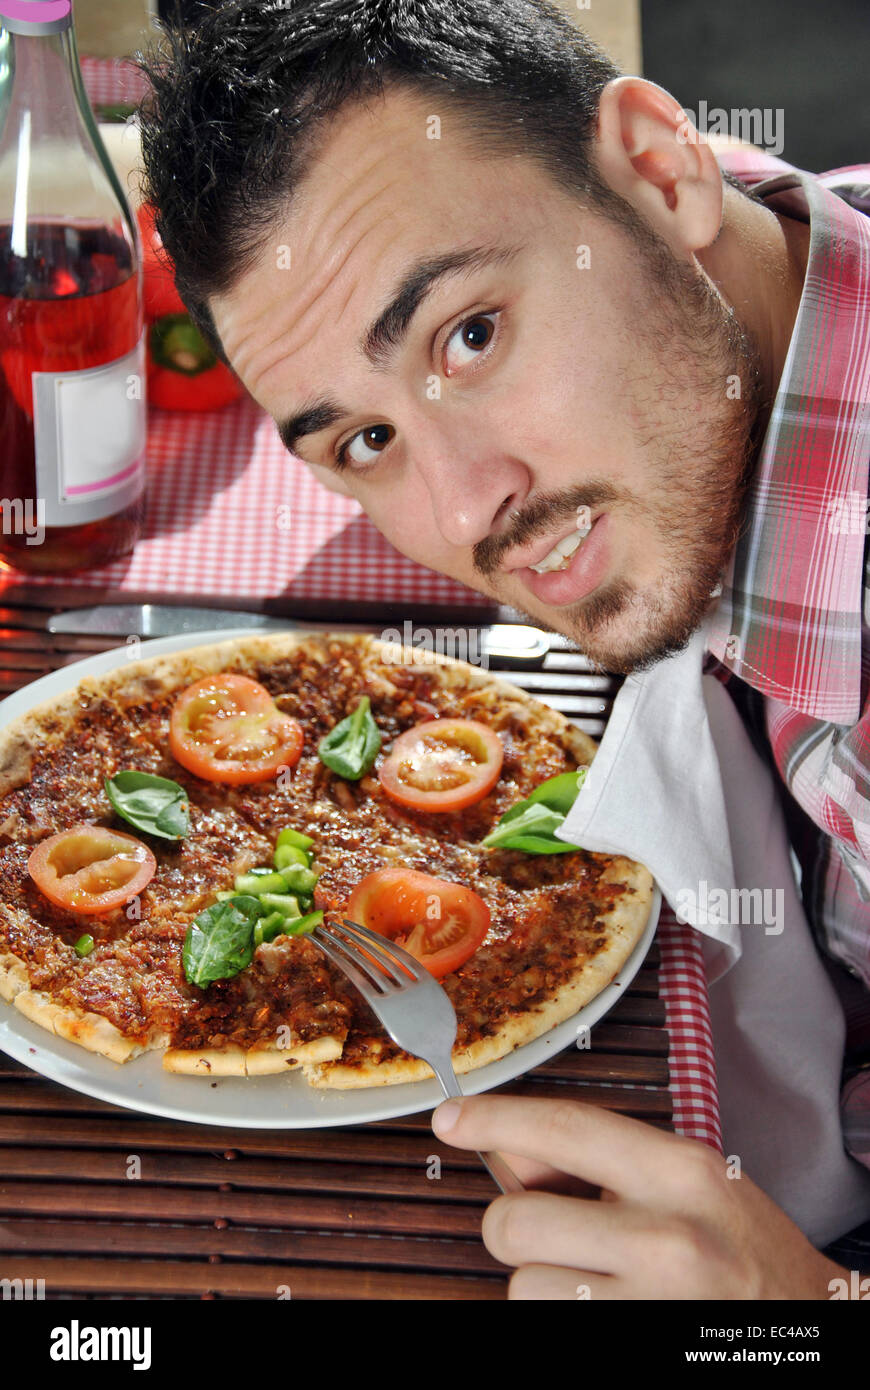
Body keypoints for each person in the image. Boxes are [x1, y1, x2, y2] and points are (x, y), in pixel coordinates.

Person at [136, 0, 870, 1297]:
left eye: (468, 335)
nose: (465, 511)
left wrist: (803, 1310)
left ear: (659, 167)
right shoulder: (746, 247)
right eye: (362, 442)